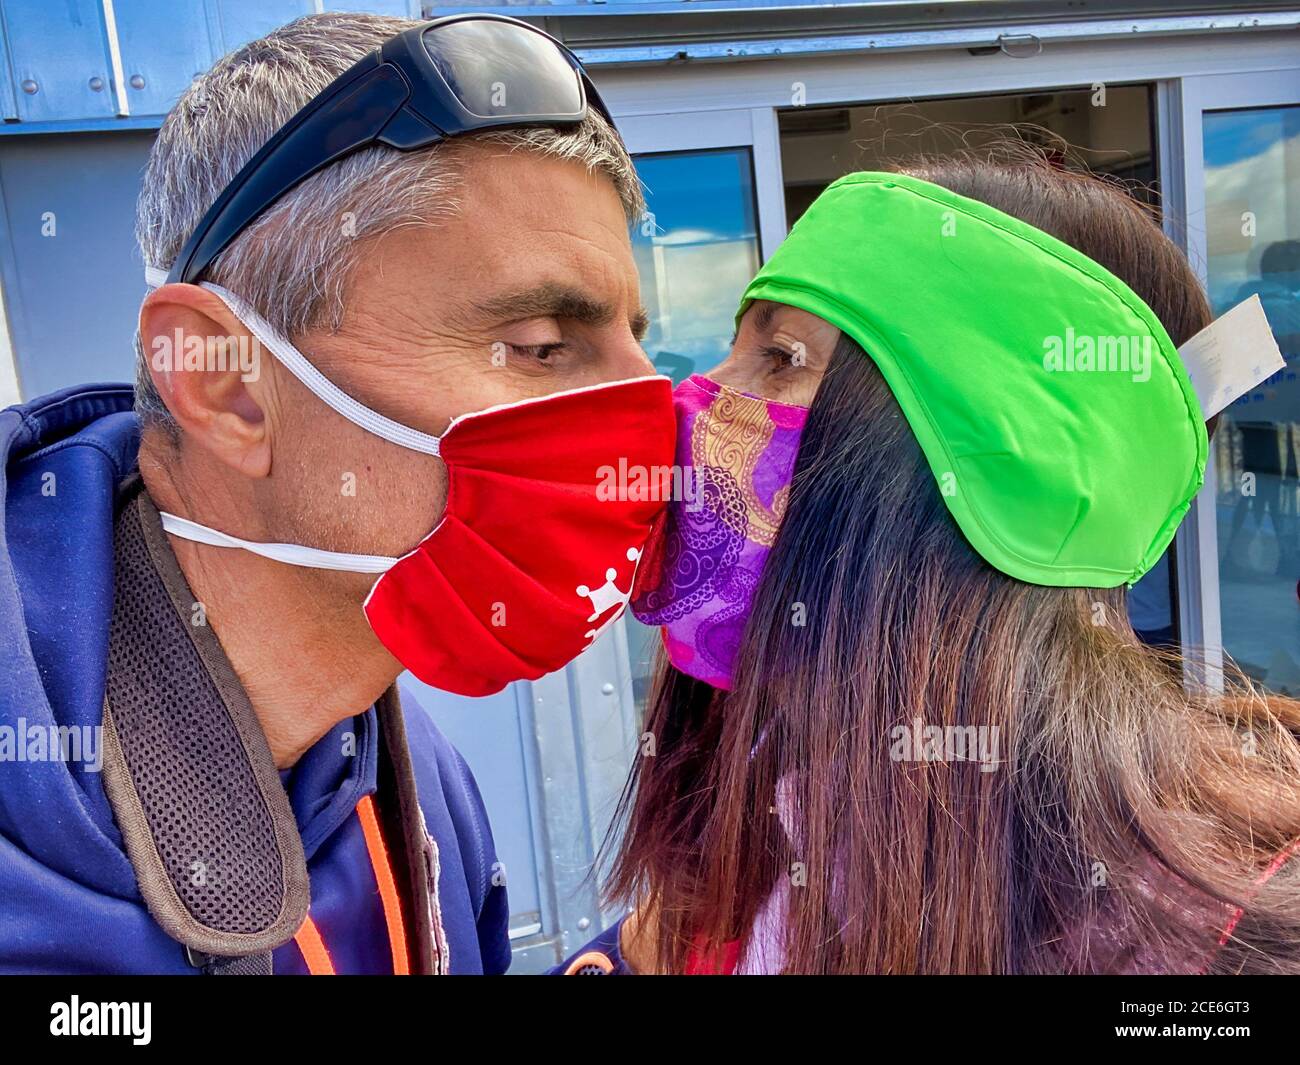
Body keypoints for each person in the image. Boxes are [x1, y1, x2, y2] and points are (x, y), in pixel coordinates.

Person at [0, 12, 673, 974]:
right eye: (538, 346)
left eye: (634, 343)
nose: (647, 422)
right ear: (225, 382)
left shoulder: (405, 770)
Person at [557, 150, 1300, 975]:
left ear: (997, 483)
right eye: (735, 351)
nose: (685, 405)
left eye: (783, 360)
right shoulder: (772, 811)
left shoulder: (1237, 940)